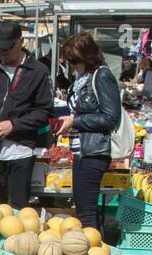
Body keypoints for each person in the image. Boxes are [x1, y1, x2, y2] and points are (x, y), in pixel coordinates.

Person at [0, 19, 53, 208]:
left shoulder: (38, 71)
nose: (3, 52)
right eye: (0, 48)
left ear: (20, 42)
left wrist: (13, 125)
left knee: (17, 207)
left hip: (21, 150)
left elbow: (44, 111)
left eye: (8, 48)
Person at [52, 33, 121, 230]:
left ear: (87, 57)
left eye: (75, 60)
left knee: (86, 210)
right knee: (82, 206)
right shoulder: (83, 79)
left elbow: (110, 117)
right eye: (69, 61)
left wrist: (75, 120)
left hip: (94, 152)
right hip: (82, 150)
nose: (72, 65)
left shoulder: (102, 76)